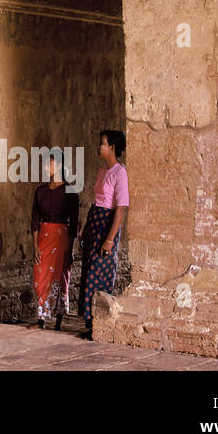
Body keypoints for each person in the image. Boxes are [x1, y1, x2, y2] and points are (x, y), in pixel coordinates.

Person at [78, 129, 129, 339]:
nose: (99, 146)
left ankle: (101, 325)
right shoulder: (102, 172)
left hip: (106, 226)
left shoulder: (120, 172)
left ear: (112, 147)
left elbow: (121, 207)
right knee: (88, 271)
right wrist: (86, 230)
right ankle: (90, 324)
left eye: (103, 143)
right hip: (94, 223)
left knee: (100, 274)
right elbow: (96, 202)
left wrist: (110, 238)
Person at [30, 150, 79, 330]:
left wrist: (70, 249)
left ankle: (58, 318)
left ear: (59, 166)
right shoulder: (40, 191)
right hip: (43, 237)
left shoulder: (70, 191)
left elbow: (74, 224)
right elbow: (35, 219)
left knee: (59, 276)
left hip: (61, 239)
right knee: (40, 275)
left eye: (49, 164)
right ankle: (41, 318)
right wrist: (35, 245)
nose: (45, 167)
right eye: (44, 164)